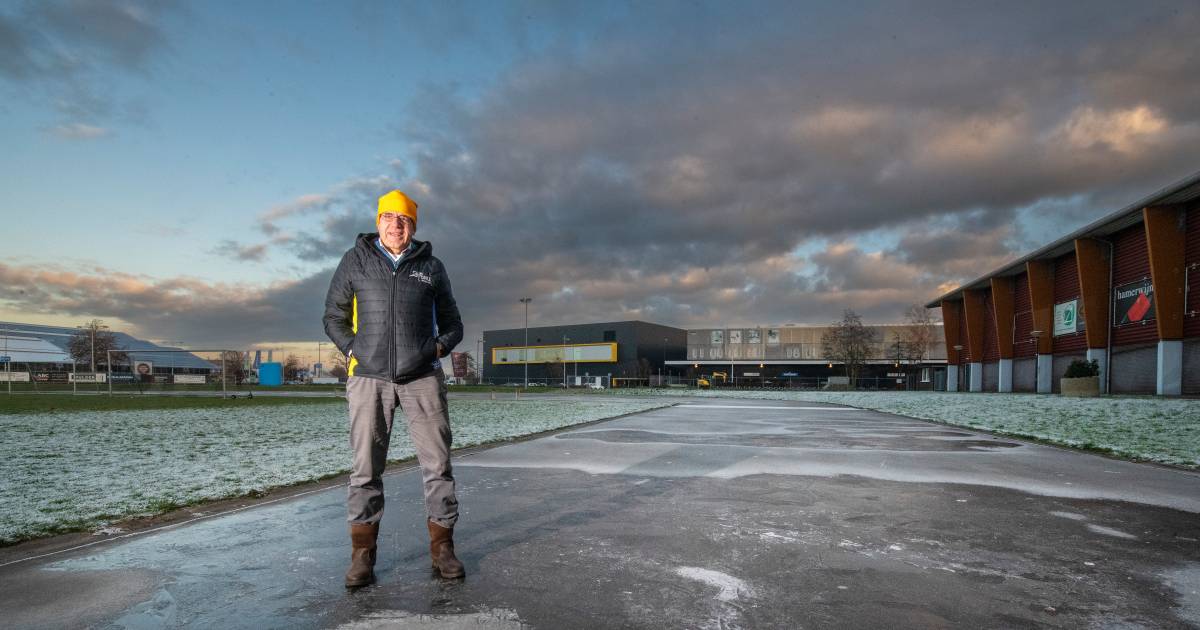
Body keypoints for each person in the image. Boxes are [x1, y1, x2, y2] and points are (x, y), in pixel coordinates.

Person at [323, 190, 465, 587]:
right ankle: (362, 557)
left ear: (414, 225)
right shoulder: (355, 261)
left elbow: (454, 323)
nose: (395, 225)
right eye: (388, 217)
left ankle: (443, 549)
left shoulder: (432, 267)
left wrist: (435, 349)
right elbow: (333, 315)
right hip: (369, 378)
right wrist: (354, 348)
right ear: (378, 221)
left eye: (403, 219)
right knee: (365, 468)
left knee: (437, 465)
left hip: (422, 378)